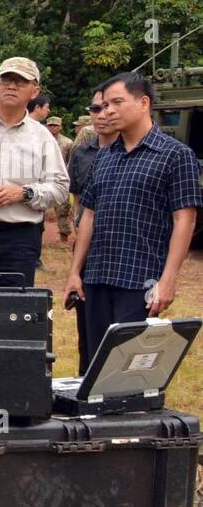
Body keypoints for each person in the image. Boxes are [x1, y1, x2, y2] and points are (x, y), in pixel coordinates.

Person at [65, 72, 202, 351]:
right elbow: (89, 214)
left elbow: (184, 219)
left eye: (117, 102)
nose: (108, 111)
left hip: (139, 280)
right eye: (103, 106)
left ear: (144, 103)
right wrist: (75, 272)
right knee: (94, 362)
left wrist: (168, 280)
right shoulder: (103, 156)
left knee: (126, 368)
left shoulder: (175, 155)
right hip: (96, 277)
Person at [0, 57, 69, 286]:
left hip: (18, 239)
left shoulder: (41, 138)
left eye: (20, 81)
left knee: (11, 314)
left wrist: (25, 193)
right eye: (6, 79)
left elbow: (60, 188)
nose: (11, 86)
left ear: (34, 91)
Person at [65, 87, 117, 373]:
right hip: (87, 245)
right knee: (87, 325)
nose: (101, 115)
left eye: (106, 108)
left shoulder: (133, 150)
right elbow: (76, 196)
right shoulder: (82, 153)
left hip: (121, 245)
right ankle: (86, 378)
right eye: (95, 109)